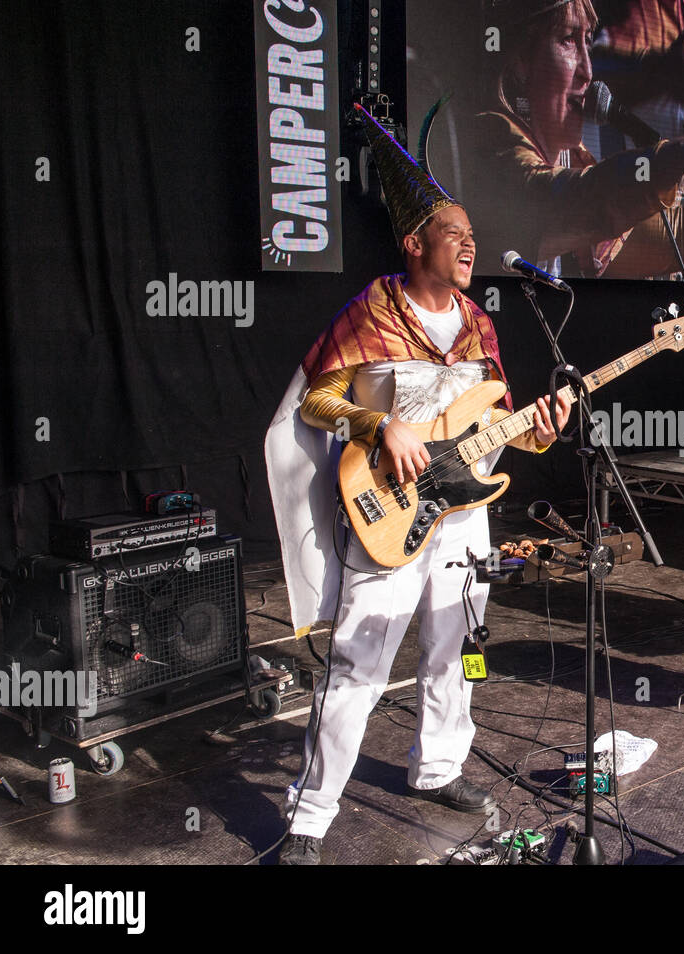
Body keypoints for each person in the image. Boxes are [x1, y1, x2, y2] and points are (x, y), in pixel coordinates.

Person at [264, 104, 570, 865]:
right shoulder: (369, 311)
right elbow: (315, 400)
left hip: (463, 514)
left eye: (470, 235)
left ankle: (437, 770)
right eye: (453, 233)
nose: (468, 244)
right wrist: (376, 426)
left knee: (457, 648)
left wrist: (544, 426)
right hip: (390, 513)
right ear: (414, 243)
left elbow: (500, 422)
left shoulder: (480, 325)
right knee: (359, 666)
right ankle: (309, 817)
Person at [464, 0, 684, 279]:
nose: (588, 71)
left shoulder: (574, 156)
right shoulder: (492, 137)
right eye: (568, 40)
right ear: (522, 61)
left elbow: (678, 237)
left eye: (587, 42)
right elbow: (567, 199)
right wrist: (666, 161)